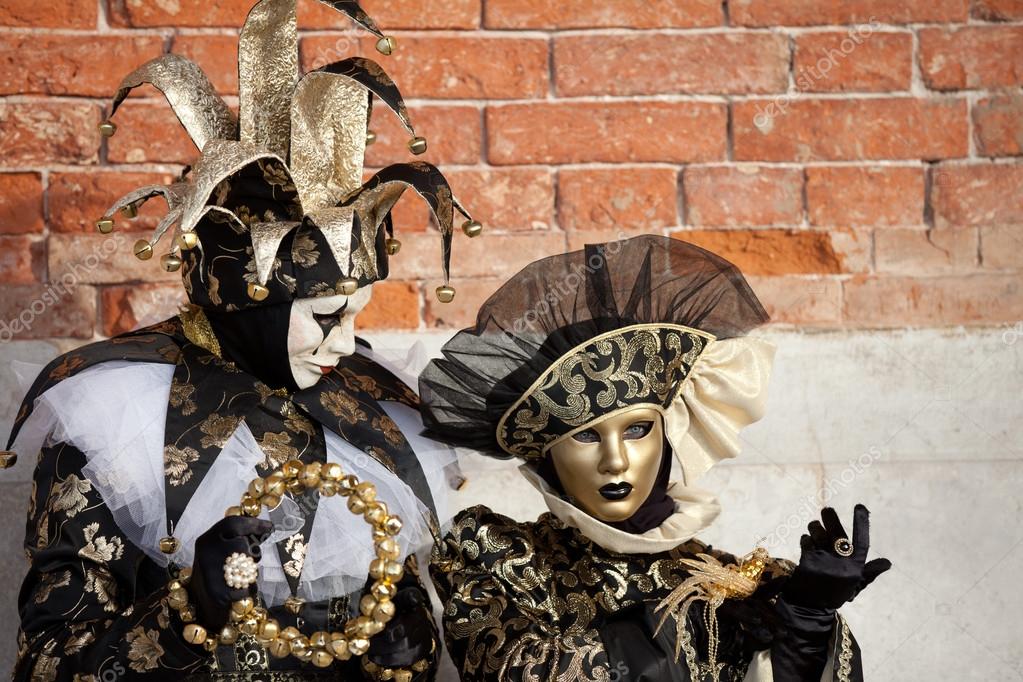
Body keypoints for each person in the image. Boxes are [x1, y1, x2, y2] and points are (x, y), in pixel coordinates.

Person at [2, 0, 481, 678]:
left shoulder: (364, 409)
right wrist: (188, 611)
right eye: (323, 317)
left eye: (355, 316)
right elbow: (50, 664)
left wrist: (405, 650)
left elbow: (390, 615)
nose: (346, 347)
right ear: (253, 300)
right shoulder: (118, 420)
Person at [419, 235, 890, 681]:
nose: (616, 461)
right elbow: (516, 672)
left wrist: (806, 628)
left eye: (638, 430)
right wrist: (692, 629)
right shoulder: (496, 559)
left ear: (667, 438)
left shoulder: (726, 582)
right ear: (547, 457)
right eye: (585, 437)